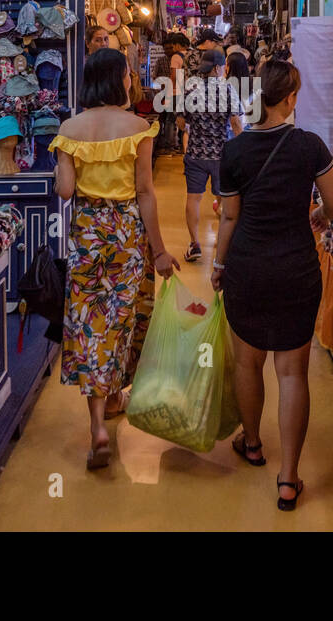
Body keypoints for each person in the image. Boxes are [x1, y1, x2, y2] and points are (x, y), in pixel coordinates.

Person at [212, 60, 333, 511]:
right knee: (292, 373)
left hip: (247, 268)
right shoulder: (308, 146)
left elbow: (228, 217)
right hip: (296, 269)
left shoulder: (235, 152)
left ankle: (252, 444)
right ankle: (288, 479)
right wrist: (315, 218)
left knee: (247, 364)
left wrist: (218, 264)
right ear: (288, 98)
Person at [50, 48, 178, 470]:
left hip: (87, 232)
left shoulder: (69, 129)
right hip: (126, 236)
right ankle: (116, 395)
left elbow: (65, 192)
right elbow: (145, 192)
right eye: (127, 74)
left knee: (89, 322)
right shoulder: (138, 127)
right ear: (119, 78)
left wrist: (62, 163)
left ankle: (97, 424)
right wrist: (158, 250)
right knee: (121, 317)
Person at [180, 49, 243, 262]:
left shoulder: (191, 89)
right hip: (222, 155)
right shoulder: (227, 90)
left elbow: (182, 122)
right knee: (225, 200)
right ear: (217, 68)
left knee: (194, 199)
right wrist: (243, 147)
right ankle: (226, 247)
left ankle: (194, 244)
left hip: (196, 154)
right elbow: (235, 122)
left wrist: (194, 129)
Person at [152, 32, 190, 154]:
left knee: (170, 119)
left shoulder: (175, 57)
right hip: (187, 92)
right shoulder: (192, 54)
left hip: (174, 92)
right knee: (183, 119)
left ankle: (170, 145)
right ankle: (182, 145)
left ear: (177, 45)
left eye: (172, 46)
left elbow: (173, 77)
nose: (171, 49)